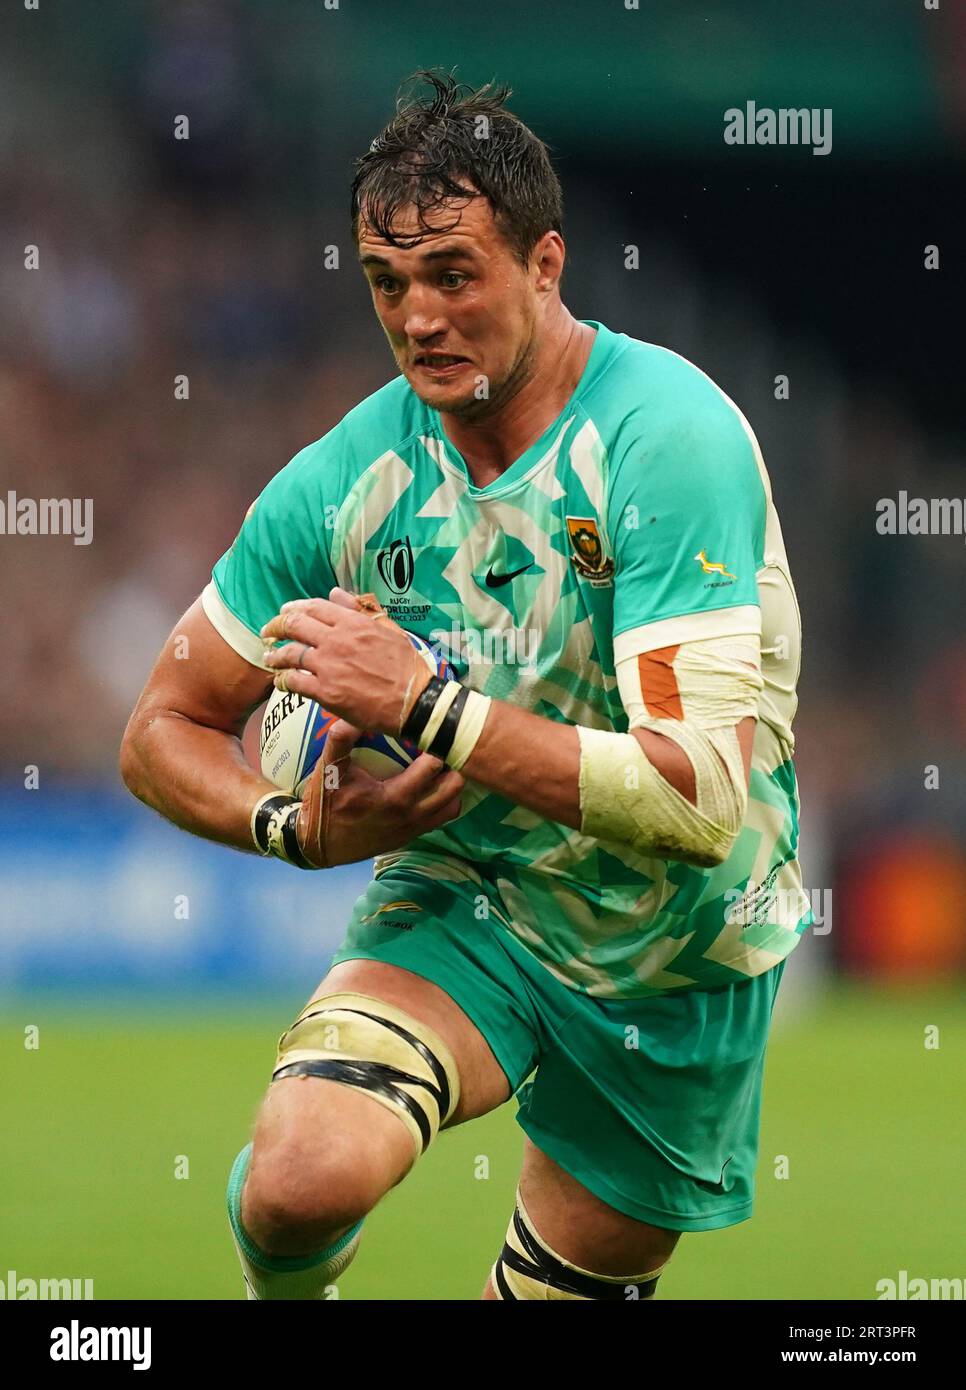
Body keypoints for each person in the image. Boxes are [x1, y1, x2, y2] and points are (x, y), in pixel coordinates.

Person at [121, 71, 809, 1301]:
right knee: (296, 1184)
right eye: (389, 284)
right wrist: (292, 824)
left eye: (453, 275)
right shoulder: (347, 476)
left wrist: (427, 709)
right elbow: (160, 727)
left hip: (678, 944)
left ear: (546, 264)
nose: (418, 318)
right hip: (472, 893)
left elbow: (700, 797)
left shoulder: (669, 439)